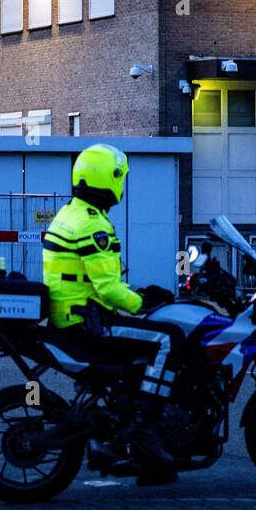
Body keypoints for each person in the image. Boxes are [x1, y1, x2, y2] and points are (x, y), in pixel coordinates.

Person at [42, 142, 179, 484]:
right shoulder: (94, 226)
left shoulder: (70, 213)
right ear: (107, 178)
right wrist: (142, 304)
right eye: (120, 177)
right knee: (168, 338)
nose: (122, 185)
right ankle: (143, 428)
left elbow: (96, 281)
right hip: (89, 325)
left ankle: (140, 445)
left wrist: (137, 294)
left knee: (145, 345)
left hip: (72, 318)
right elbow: (107, 289)